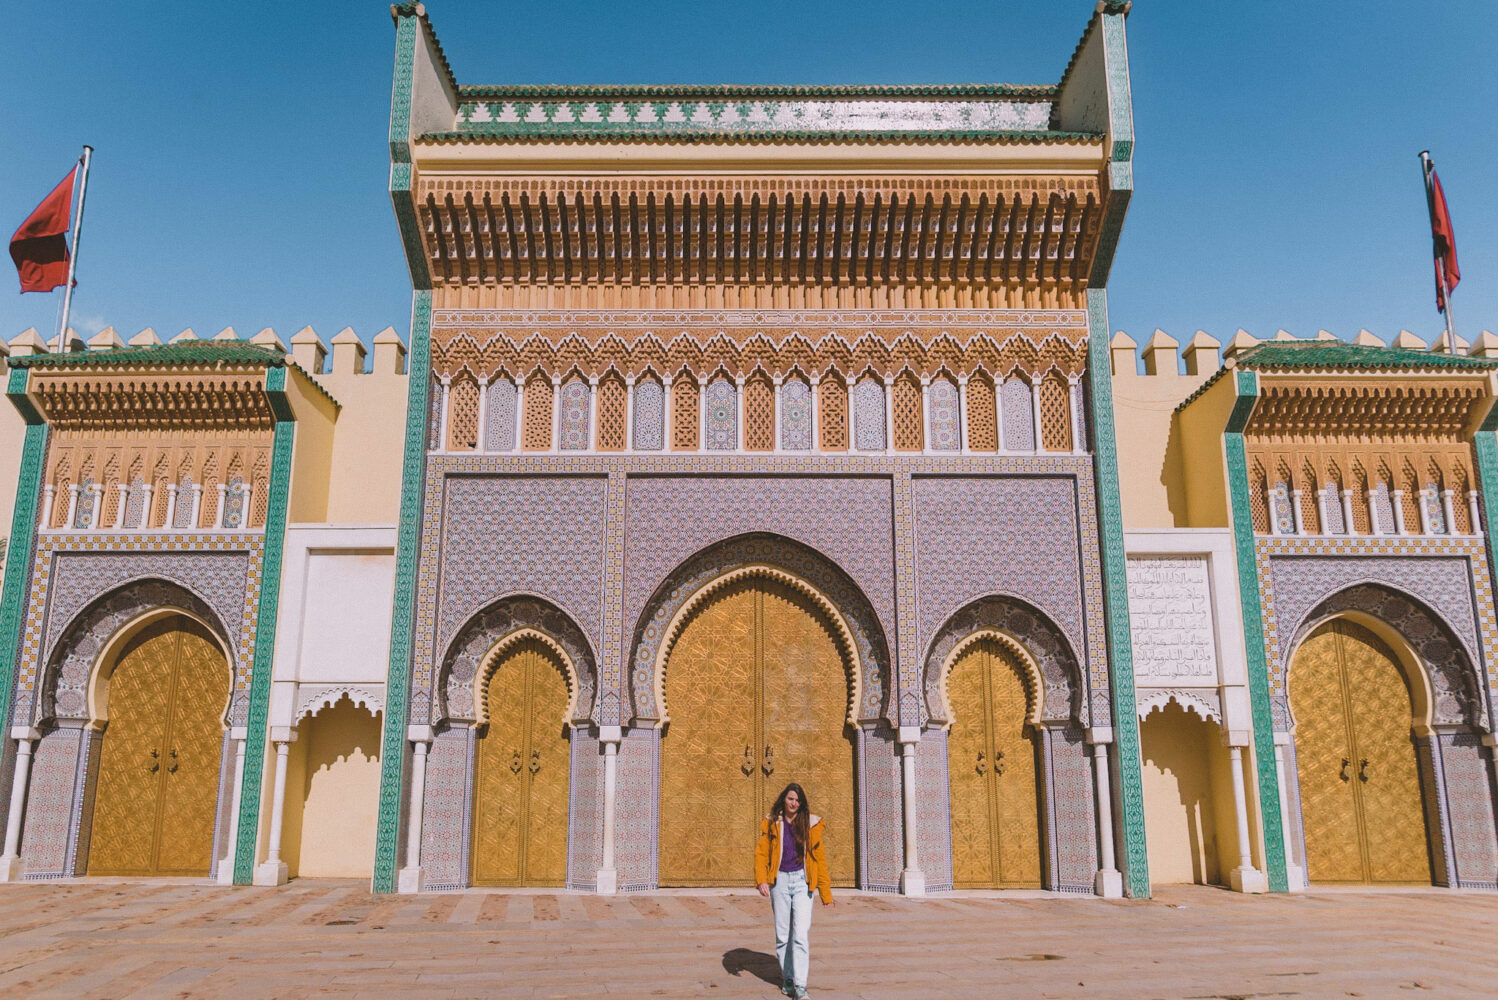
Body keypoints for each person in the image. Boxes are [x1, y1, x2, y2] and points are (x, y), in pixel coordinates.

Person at [755, 782, 833, 999]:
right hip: (779, 880)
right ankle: (788, 978)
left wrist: (825, 893)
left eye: (798, 800)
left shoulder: (810, 824)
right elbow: (761, 853)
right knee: (782, 935)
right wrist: (761, 879)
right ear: (784, 799)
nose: (794, 803)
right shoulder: (772, 823)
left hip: (802, 882)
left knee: (800, 935)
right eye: (790, 799)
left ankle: (800, 985)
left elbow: (820, 859)